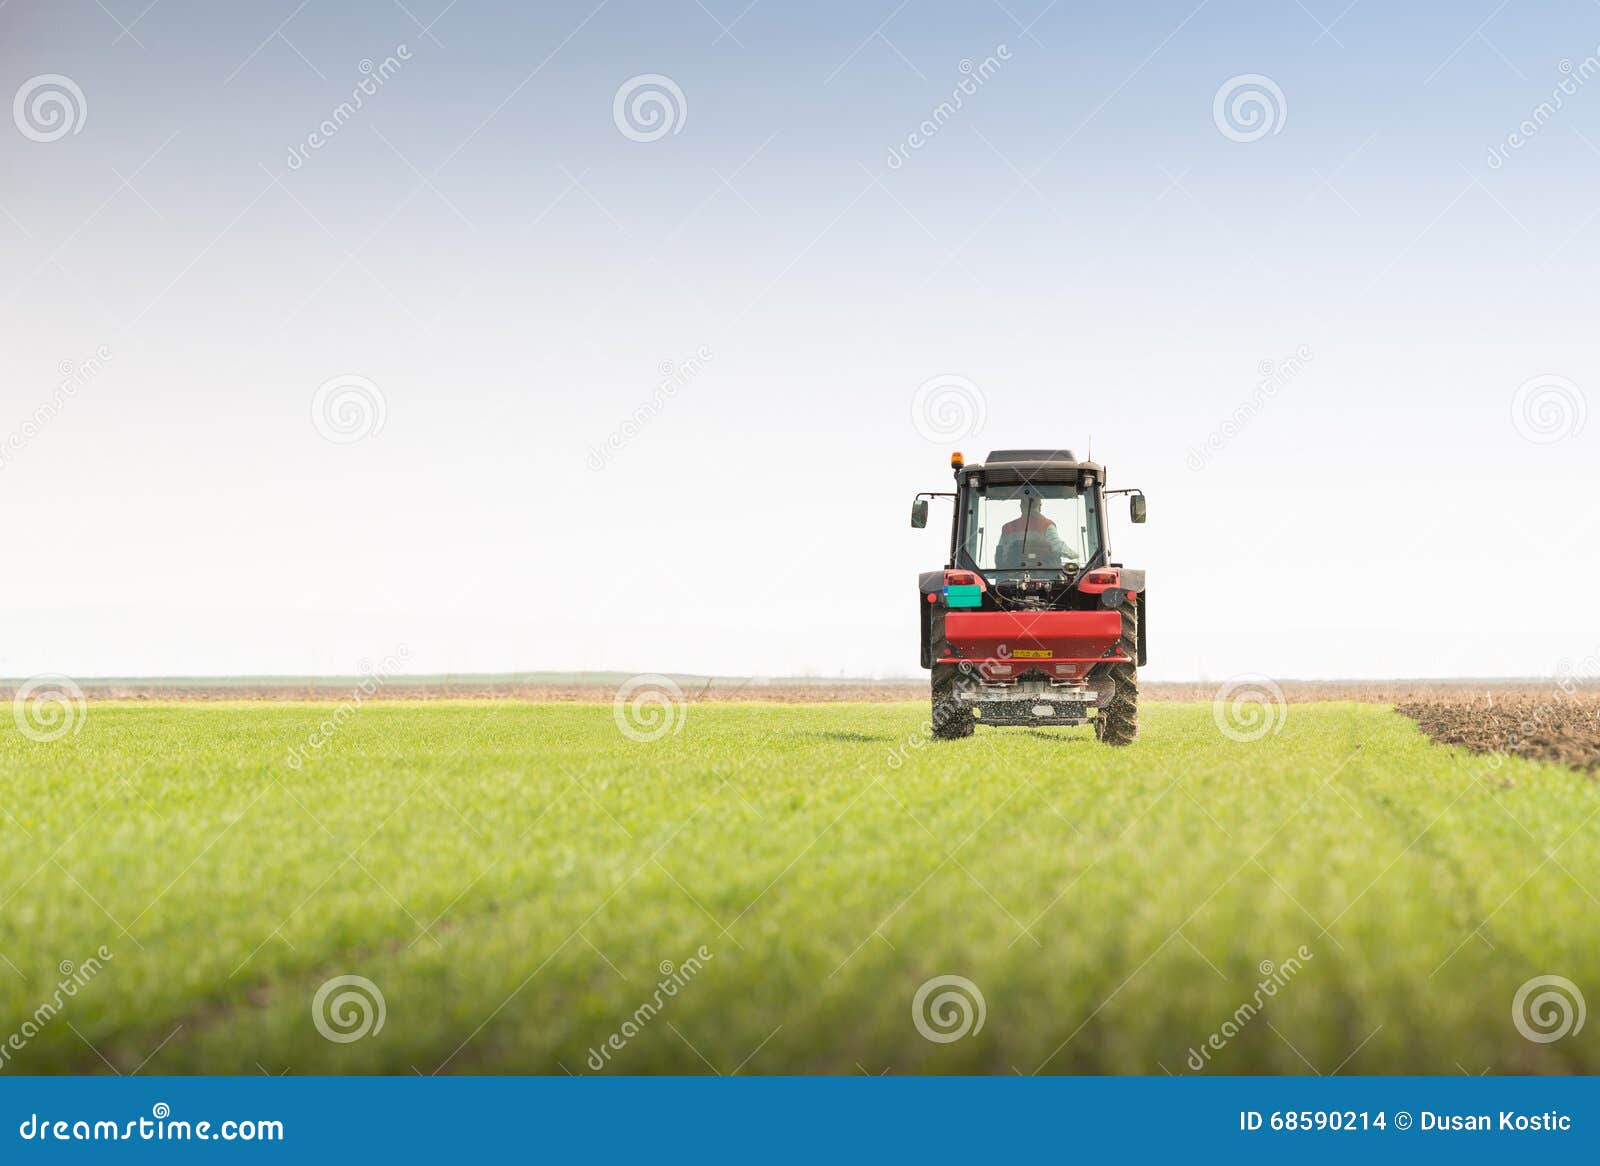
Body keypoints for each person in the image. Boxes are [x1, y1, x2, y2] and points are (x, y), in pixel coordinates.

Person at [997, 496, 1066, 564]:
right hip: (1045, 572)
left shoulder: (1008, 527)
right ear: (1040, 507)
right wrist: (1076, 556)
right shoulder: (1047, 524)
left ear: (1021, 507)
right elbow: (1058, 547)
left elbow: (1000, 558)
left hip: (1012, 572)